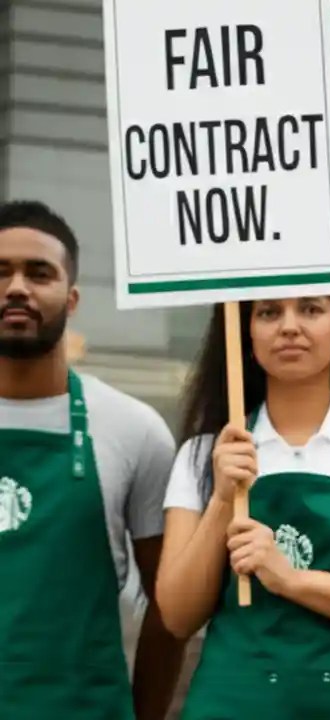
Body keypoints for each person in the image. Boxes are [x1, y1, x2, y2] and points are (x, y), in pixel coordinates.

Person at [156, 262, 330, 719]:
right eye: (269, 313)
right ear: (246, 337)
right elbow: (176, 614)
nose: (290, 326)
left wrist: (291, 580)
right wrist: (221, 501)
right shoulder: (204, 454)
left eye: (310, 309)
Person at [0, 200, 187, 719]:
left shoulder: (134, 429)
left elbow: (169, 609)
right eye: (2, 272)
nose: (17, 287)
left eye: (39, 273)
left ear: (72, 297)